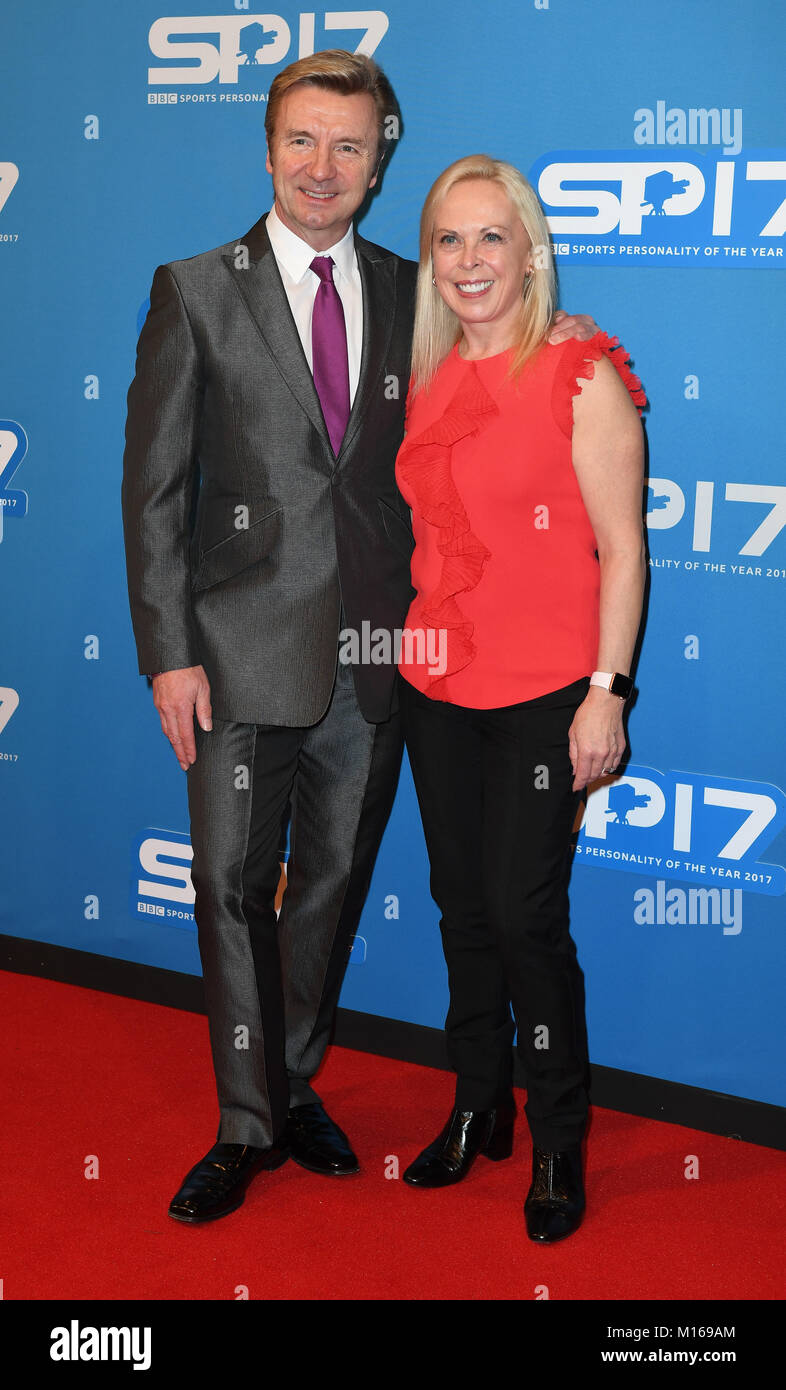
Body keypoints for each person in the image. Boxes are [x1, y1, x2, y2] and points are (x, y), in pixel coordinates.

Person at [122, 51, 596, 1226]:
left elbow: (497, 382)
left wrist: (560, 329)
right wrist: (167, 651)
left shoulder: (415, 290)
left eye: (349, 145)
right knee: (233, 888)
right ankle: (245, 1123)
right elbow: (153, 495)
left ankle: (288, 1085)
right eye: (302, 141)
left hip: (382, 662)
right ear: (268, 147)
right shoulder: (195, 288)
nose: (323, 166)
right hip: (235, 654)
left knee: (329, 886)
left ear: (379, 159)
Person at [395, 155, 646, 1242]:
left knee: (525, 917)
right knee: (462, 912)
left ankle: (557, 1135)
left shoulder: (579, 369)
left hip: (548, 692)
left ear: (530, 248)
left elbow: (625, 551)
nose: (469, 260)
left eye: (492, 236)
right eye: (450, 240)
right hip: (436, 683)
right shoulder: (434, 367)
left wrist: (608, 692)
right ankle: (476, 1106)